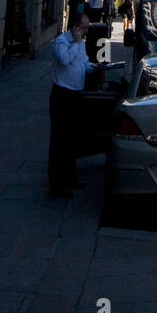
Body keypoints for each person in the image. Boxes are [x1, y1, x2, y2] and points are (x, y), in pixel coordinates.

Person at [48, 14, 99, 197]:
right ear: (76, 27)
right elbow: (64, 60)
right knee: (59, 141)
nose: (86, 32)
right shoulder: (61, 42)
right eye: (83, 28)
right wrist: (76, 43)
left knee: (72, 140)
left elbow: (84, 63)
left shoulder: (81, 43)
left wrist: (98, 67)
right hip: (62, 96)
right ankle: (56, 184)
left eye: (86, 28)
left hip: (76, 95)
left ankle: (71, 178)